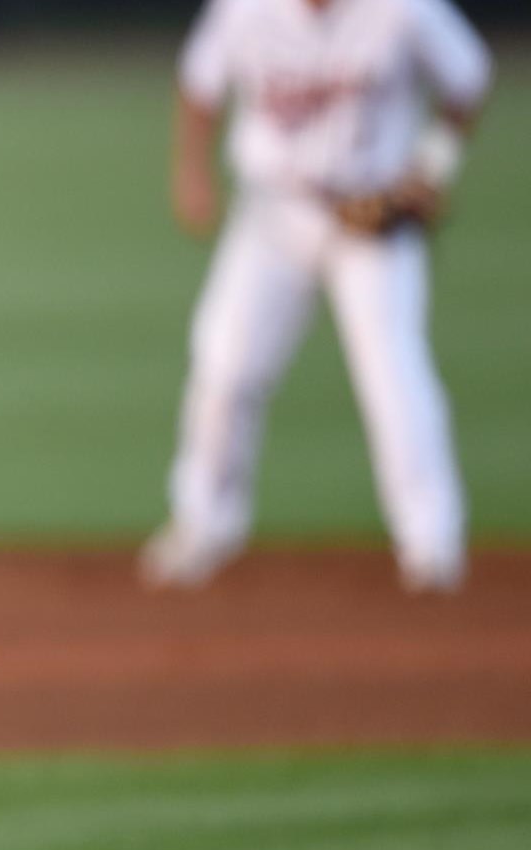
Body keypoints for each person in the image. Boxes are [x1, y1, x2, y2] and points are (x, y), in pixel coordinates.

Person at [142, 0, 491, 593]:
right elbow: (199, 82)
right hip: (273, 214)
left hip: (374, 223)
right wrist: (192, 170)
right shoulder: (244, 9)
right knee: (223, 363)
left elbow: (469, 77)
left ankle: (431, 543)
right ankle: (204, 525)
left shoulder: (403, 9)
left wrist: (433, 165)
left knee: (394, 376)